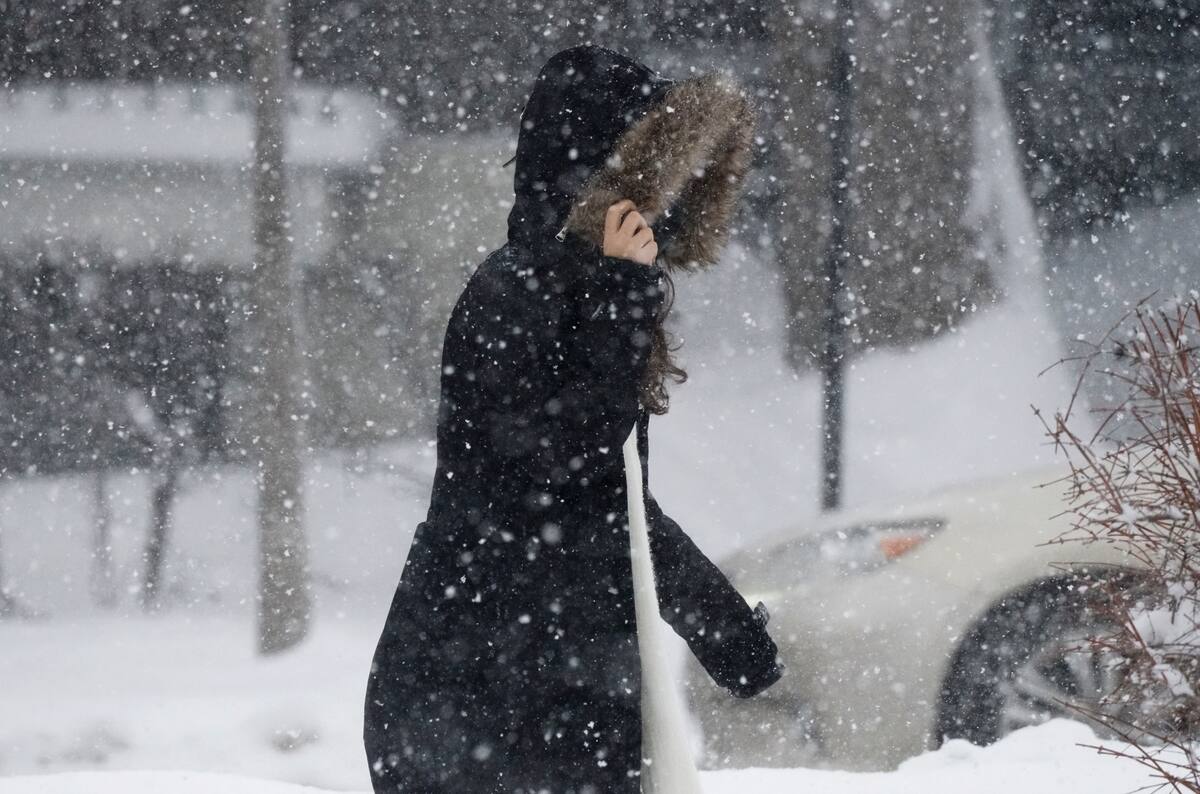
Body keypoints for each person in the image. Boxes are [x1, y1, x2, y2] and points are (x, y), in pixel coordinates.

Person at [363, 44, 783, 794]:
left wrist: (730, 636)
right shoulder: (517, 294)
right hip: (477, 702)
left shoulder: (587, 292)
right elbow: (567, 465)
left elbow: (614, 505)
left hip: (556, 699)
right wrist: (622, 301)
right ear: (599, 179)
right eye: (649, 184)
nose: (660, 212)